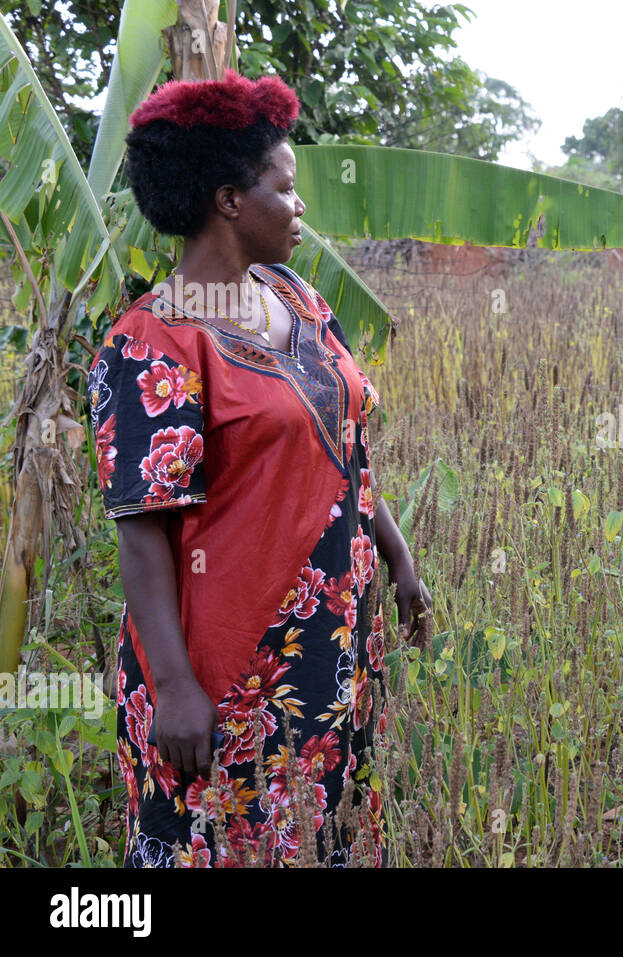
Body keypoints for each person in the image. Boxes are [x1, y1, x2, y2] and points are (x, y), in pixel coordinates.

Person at [85, 69, 432, 867]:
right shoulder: (152, 342)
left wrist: (398, 554)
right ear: (229, 202)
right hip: (225, 668)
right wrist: (174, 687)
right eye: (286, 187)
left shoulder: (298, 297)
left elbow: (344, 445)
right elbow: (143, 534)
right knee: (223, 838)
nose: (301, 205)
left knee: (320, 831)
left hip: (330, 643)